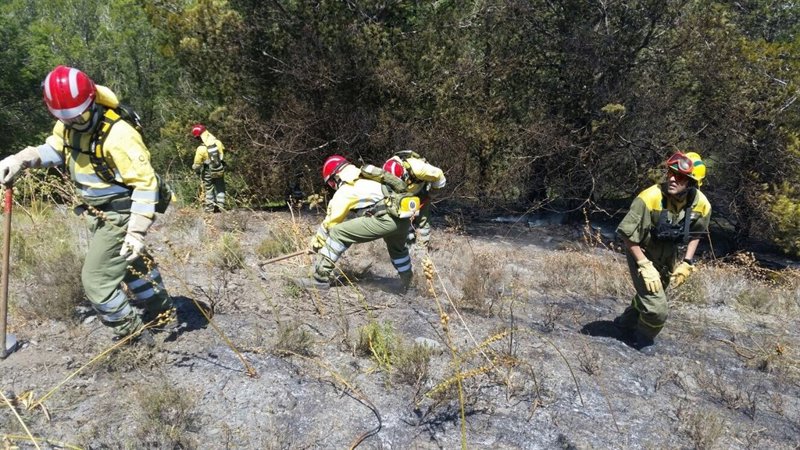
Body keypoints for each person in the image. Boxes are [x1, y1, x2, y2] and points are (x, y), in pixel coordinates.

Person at [0, 66, 174, 344]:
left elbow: (145, 184)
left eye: (79, 115)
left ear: (91, 100)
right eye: (65, 117)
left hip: (121, 213)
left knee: (97, 282)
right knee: (132, 265)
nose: (74, 122)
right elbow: (55, 148)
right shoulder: (67, 122)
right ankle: (163, 312)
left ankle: (134, 337)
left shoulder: (119, 135)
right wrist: (21, 158)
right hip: (98, 211)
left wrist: (136, 232)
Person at [613, 152, 712, 352]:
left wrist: (687, 262)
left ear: (693, 183)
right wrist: (644, 264)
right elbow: (627, 235)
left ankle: (624, 324)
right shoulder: (649, 198)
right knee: (658, 310)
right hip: (640, 252)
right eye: (671, 173)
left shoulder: (702, 205)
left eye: (681, 176)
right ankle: (642, 339)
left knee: (651, 295)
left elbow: (696, 233)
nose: (672, 178)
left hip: (668, 255)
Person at [294, 155, 419, 292]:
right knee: (398, 251)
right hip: (403, 219)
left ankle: (319, 278)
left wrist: (316, 245)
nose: (332, 186)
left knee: (338, 232)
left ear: (336, 177)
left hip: (386, 219)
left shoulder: (347, 189)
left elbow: (330, 223)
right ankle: (407, 282)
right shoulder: (366, 179)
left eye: (330, 183)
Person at [383, 149, 445, 249]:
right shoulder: (386, 170)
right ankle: (407, 245)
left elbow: (439, 176)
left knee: (422, 219)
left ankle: (422, 248)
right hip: (403, 194)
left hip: (421, 191)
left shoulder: (419, 169)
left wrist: (432, 193)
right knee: (403, 219)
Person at [191, 124, 226, 213]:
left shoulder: (201, 149)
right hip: (219, 169)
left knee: (209, 189)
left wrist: (196, 170)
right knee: (220, 187)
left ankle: (209, 209)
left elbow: (197, 164)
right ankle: (221, 207)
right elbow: (222, 154)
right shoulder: (218, 143)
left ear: (199, 137)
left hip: (208, 172)